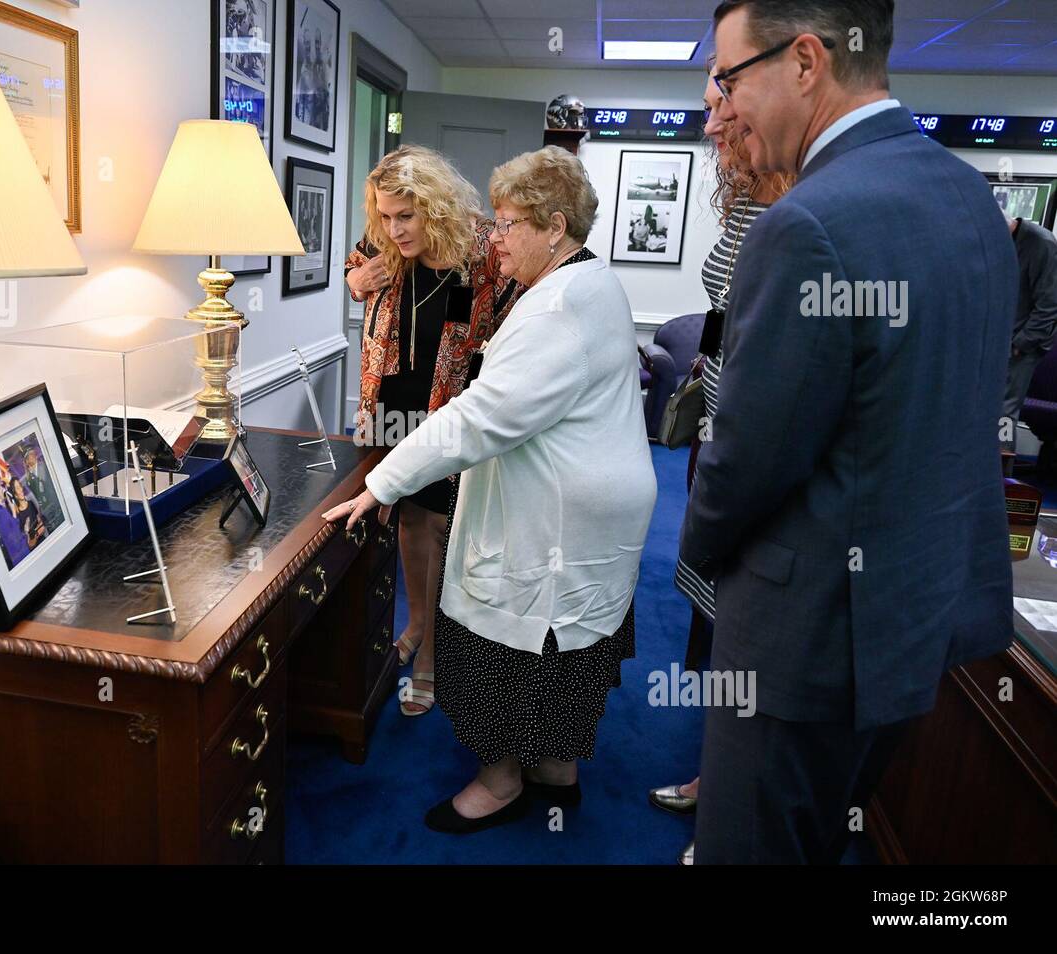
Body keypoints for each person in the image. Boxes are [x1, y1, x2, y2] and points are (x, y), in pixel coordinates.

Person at [682, 0, 1018, 864]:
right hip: (918, 620)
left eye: (726, 78)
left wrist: (697, 544)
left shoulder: (806, 224)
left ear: (804, 61)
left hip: (805, 645)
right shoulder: (968, 196)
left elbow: (746, 464)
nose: (719, 104)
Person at [325, 146, 656, 833]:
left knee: (507, 650)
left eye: (506, 224)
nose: (495, 236)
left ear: (554, 227)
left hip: (557, 520)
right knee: (566, 655)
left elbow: (475, 417)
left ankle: (501, 781)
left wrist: (381, 483)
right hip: (592, 508)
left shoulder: (556, 308)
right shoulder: (589, 283)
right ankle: (555, 775)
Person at [648, 67, 795, 866]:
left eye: (720, 107)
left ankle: (734, 812)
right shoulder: (748, 200)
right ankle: (717, 775)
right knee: (713, 625)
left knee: (747, 633)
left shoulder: (799, 210)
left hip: (754, 454)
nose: (709, 128)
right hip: (718, 431)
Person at [344, 145, 521, 716]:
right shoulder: (383, 242)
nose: (393, 230)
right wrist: (356, 279)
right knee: (407, 516)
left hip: (453, 410)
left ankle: (434, 654)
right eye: (385, 215)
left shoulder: (484, 249)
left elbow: (525, 312)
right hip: (391, 401)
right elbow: (353, 272)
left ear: (436, 208)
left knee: (447, 526)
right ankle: (417, 624)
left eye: (406, 216)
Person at [1001, 212, 1057, 451]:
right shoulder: (1005, 243)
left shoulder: (1040, 243)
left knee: (1003, 414)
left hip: (1021, 348)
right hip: (999, 341)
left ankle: (1004, 480)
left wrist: (1020, 344)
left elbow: (1050, 304)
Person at [0, 469, 30, 568]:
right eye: (0, 486)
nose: (2, 489)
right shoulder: (0, 513)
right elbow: (13, 540)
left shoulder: (2, 509)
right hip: (21, 558)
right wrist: (26, 533)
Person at [23, 445, 64, 531]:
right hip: (46, 510)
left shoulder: (45, 467)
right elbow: (37, 496)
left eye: (32, 453)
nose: (32, 456)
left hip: (56, 504)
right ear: (26, 461)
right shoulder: (28, 479)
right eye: (29, 455)